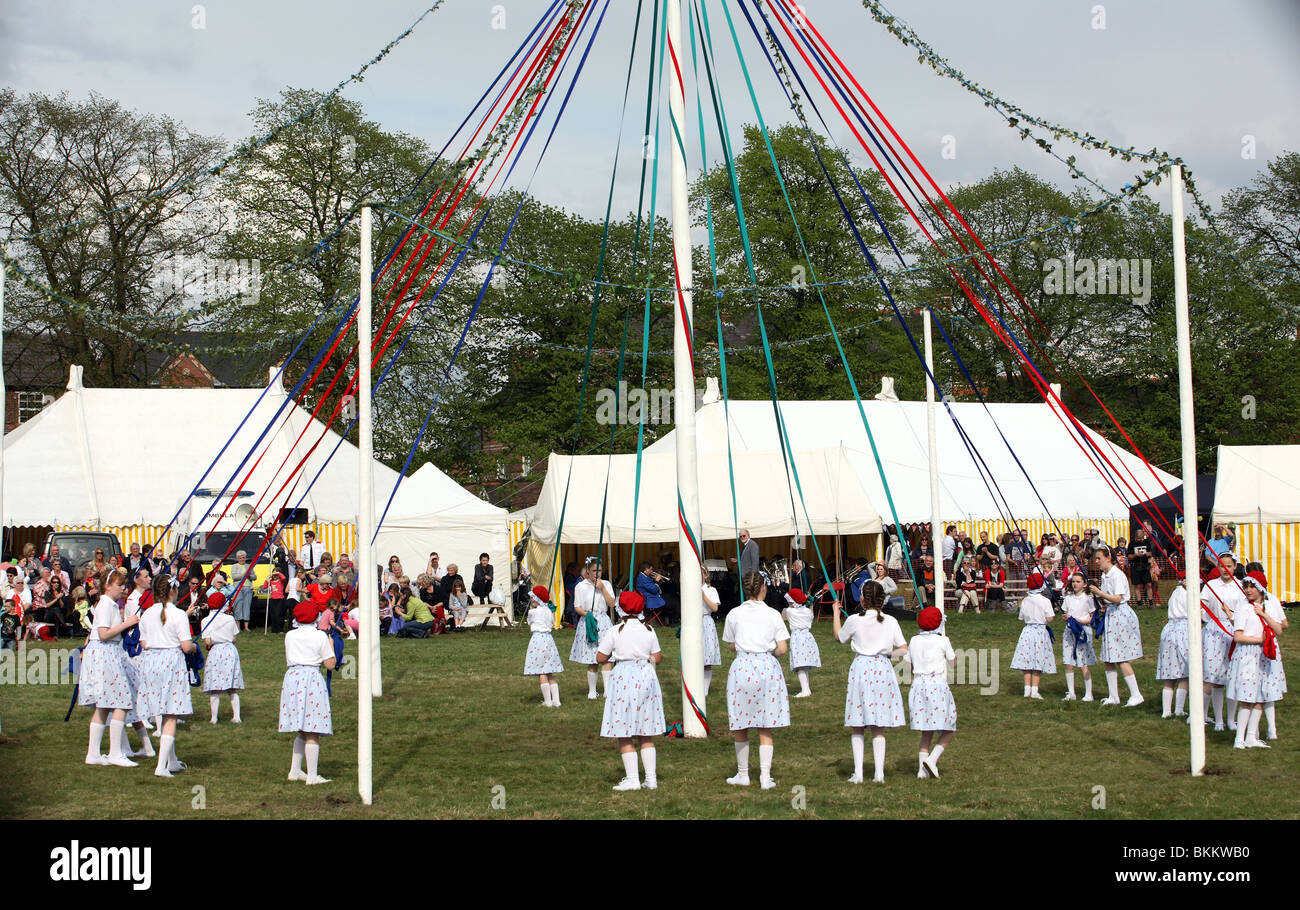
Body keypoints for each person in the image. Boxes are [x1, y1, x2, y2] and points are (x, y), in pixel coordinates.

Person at [833, 579, 907, 784]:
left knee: (858, 723)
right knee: (878, 725)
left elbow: (839, 638)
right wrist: (887, 654)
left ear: (862, 598)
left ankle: (859, 773)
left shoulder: (855, 620)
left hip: (862, 669)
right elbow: (903, 648)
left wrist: (836, 614)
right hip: (882, 669)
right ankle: (878, 774)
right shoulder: (890, 621)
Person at [722, 572, 790, 789]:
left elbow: (731, 644)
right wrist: (770, 653)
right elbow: (782, 647)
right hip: (766, 667)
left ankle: (743, 774)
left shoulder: (734, 613)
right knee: (765, 725)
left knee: (740, 723)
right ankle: (764, 776)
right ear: (763, 588)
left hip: (743, 667)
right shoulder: (772, 614)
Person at [597, 591, 665, 791]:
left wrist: (613, 654)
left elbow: (601, 657)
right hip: (645, 676)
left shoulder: (615, 631)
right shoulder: (649, 629)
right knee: (646, 732)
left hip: (624, 677)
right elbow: (657, 656)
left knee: (624, 731)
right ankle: (650, 779)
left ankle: (633, 779)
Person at [78, 568, 141, 767]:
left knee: (104, 706)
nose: (123, 588)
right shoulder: (106, 604)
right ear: (107, 585)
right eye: (119, 584)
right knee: (121, 702)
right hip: (105, 653)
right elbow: (104, 633)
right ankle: (115, 753)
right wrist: (127, 623)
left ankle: (94, 754)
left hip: (105, 653)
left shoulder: (110, 604)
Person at [138, 574, 195, 777]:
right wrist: (194, 647)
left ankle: (171, 761)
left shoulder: (146, 614)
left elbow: (143, 643)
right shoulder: (178, 614)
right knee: (171, 714)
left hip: (150, 663)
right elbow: (186, 646)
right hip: (170, 662)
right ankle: (161, 767)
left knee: (162, 712)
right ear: (172, 591)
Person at [280, 601, 335, 785]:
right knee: (313, 729)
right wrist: (331, 645)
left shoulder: (289, 635)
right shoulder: (320, 636)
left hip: (292, 679)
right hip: (311, 678)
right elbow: (330, 664)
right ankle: (312, 776)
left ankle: (295, 771)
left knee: (302, 729)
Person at [1090, 547, 1144, 707]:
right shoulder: (1105, 575)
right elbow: (1110, 600)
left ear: (1108, 558)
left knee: (1120, 656)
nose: (1097, 562)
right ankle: (1113, 696)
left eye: (1099, 558)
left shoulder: (1117, 575)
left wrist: (1100, 593)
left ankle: (1136, 694)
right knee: (1108, 657)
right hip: (1111, 615)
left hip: (1120, 616)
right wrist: (1103, 604)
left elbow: (1118, 598)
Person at [906, 606, 956, 779]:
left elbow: (909, 665)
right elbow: (953, 662)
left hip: (918, 685)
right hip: (937, 686)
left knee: (926, 730)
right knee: (948, 727)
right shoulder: (943, 640)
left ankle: (922, 771)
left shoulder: (913, 640)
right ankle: (932, 759)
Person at [1199, 554, 1245, 730]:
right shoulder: (1211, 585)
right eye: (1222, 566)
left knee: (1232, 677)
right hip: (1214, 631)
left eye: (1229, 566)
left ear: (1234, 567)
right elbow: (1202, 605)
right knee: (1216, 676)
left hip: (1234, 630)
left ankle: (1231, 720)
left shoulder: (1241, 586)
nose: (1226, 570)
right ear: (1218, 567)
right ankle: (1218, 719)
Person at [1229, 572, 1274, 749]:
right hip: (1247, 655)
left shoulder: (1266, 608)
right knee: (1247, 698)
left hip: (1262, 657)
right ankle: (1239, 739)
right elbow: (1238, 636)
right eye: (1246, 587)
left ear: (1261, 589)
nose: (1248, 590)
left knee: (1260, 698)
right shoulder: (1243, 608)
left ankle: (1251, 737)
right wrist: (1259, 641)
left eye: (1252, 587)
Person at [570, 558, 616, 698]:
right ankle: (592, 690)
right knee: (592, 657)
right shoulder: (580, 586)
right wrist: (587, 615)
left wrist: (602, 588)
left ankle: (607, 690)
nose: (597, 573)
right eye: (595, 570)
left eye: (600, 570)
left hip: (603, 620)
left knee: (606, 656)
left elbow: (612, 604)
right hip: (588, 620)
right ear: (588, 571)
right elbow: (577, 606)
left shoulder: (606, 584)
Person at [1011, 571, 1057, 699]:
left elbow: (1022, 618)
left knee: (1027, 660)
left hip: (1027, 631)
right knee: (1038, 660)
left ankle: (1027, 689)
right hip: (1040, 632)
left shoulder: (1025, 600)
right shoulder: (1045, 601)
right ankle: (1035, 690)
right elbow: (1050, 618)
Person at [202, 592, 244, 724]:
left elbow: (207, 642)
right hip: (230, 650)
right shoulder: (230, 619)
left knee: (215, 685)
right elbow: (234, 637)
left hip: (215, 651)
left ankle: (214, 718)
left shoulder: (205, 620)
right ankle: (236, 716)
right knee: (232, 686)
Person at [1156, 570, 1190, 718]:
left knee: (1170, 673)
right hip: (1183, 630)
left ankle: (1166, 711)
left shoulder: (1174, 594)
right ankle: (1179, 709)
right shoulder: (1187, 594)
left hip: (1169, 631)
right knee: (1185, 673)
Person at [523, 586, 564, 707]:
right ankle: (556, 700)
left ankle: (547, 701)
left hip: (538, 640)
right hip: (548, 640)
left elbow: (530, 622)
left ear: (536, 599)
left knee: (542, 672)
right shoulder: (549, 611)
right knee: (549, 672)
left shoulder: (533, 612)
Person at [1060, 570, 1097, 701]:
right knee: (1069, 663)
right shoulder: (1068, 598)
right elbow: (1065, 614)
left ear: (1084, 584)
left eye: (1078, 582)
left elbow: (1092, 618)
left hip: (1083, 632)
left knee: (1083, 663)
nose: (1075, 584)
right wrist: (1067, 618)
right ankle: (1071, 693)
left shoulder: (1088, 599)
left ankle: (1089, 694)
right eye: (1073, 582)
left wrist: (1078, 621)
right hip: (1070, 632)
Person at [782, 588, 819, 698]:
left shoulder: (789, 611)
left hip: (798, 638)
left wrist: (804, 601)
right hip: (807, 637)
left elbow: (785, 611)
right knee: (804, 664)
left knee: (800, 665)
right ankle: (806, 688)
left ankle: (805, 690)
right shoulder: (807, 611)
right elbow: (811, 615)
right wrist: (810, 603)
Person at [700, 576, 723, 696]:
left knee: (707, 657)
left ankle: (705, 690)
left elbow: (715, 608)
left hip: (706, 620)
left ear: (705, 575)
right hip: (693, 622)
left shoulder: (711, 590)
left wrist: (703, 596)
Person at [1128, 527, 1156, 607]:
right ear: (1136, 536)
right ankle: (1139, 603)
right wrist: (1135, 555)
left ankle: (1150, 603)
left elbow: (1150, 553)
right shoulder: (1132, 544)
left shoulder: (1147, 542)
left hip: (1145, 565)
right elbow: (1129, 556)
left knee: (1149, 584)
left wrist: (1148, 554)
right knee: (1138, 585)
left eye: (1141, 537)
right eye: (1139, 538)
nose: (1140, 540)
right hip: (1135, 565)